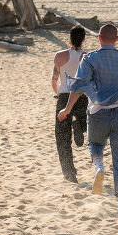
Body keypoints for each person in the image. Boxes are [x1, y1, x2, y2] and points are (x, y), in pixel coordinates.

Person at [57, 24, 118, 215]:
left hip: (98, 112)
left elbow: (78, 86)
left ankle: (98, 166)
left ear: (99, 39)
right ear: (117, 39)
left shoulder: (90, 58)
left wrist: (67, 108)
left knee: (95, 144)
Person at [51, 26, 89, 183]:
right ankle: (78, 125)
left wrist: (57, 93)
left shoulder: (59, 56)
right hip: (82, 96)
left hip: (64, 96)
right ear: (84, 39)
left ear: (69, 38)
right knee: (84, 123)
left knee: (62, 137)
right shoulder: (87, 56)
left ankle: (70, 173)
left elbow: (54, 79)